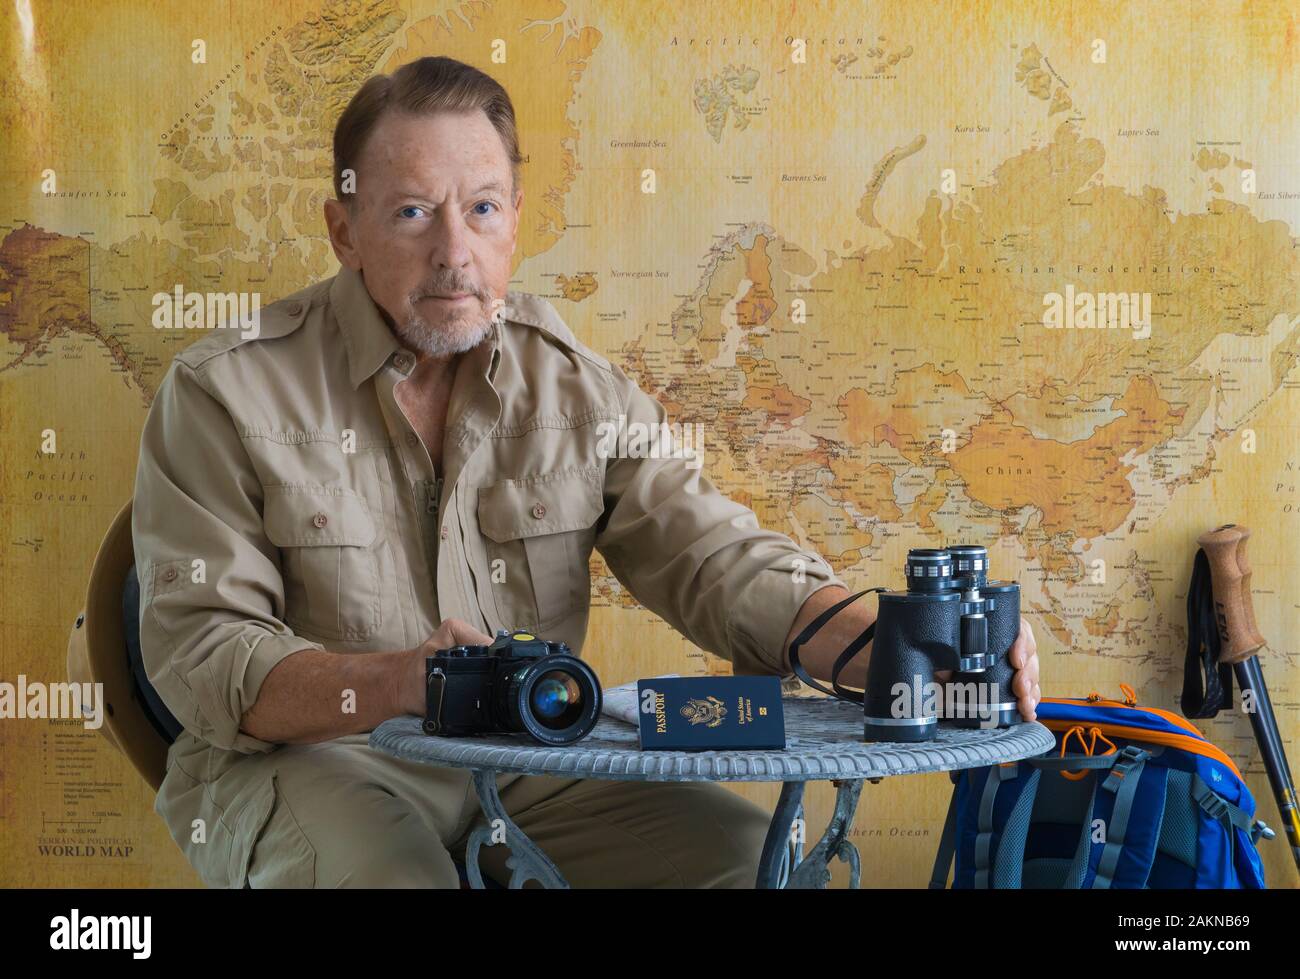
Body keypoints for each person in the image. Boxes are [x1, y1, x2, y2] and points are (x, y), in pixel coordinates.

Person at [132, 55, 1040, 889]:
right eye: (412, 212)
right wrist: (400, 681)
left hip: (532, 763)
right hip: (317, 759)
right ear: (344, 228)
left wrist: (890, 643)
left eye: (482, 208)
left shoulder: (574, 387)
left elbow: (714, 555)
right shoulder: (225, 392)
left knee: (744, 864)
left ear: (515, 222)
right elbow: (206, 661)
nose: (454, 251)